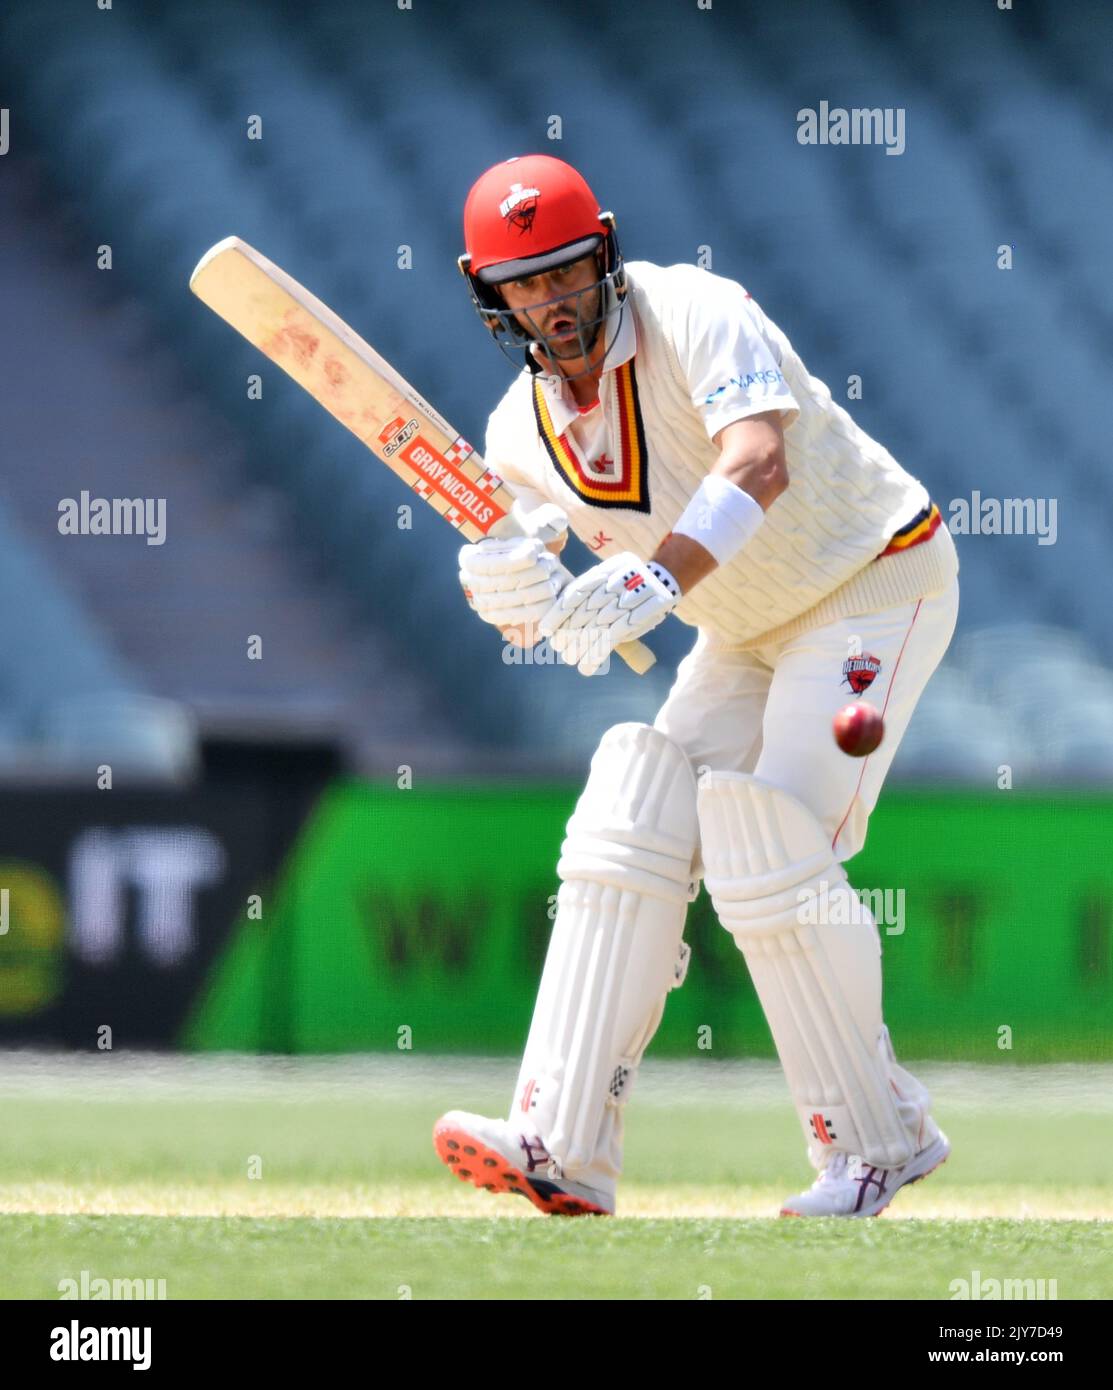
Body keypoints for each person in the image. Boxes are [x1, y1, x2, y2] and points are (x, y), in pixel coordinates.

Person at [433, 153, 959, 1218]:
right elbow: (533, 583)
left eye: (566, 272)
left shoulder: (694, 310)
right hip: (741, 627)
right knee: (636, 805)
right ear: (489, 294)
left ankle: (881, 1140)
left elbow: (758, 459)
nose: (553, 302)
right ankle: (564, 1142)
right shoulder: (514, 434)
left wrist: (657, 578)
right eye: (525, 285)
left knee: (769, 838)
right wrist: (507, 590)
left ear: (604, 252)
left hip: (870, 584)